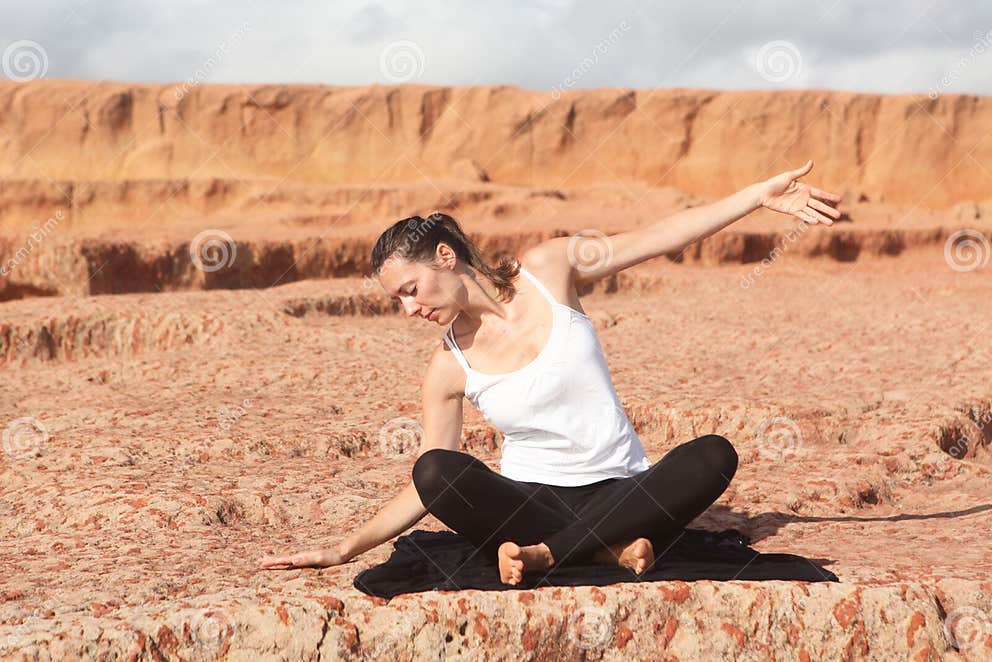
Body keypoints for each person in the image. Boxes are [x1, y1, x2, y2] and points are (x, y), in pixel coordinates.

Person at [258, 160, 842, 585]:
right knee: (438, 469)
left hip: (624, 491)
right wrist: (346, 547)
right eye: (398, 301)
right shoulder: (446, 366)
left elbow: (657, 238)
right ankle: (601, 555)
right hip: (531, 503)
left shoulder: (549, 268)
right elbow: (424, 489)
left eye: (409, 291)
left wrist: (755, 196)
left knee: (713, 454)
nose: (408, 308)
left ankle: (549, 557)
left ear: (445, 256)